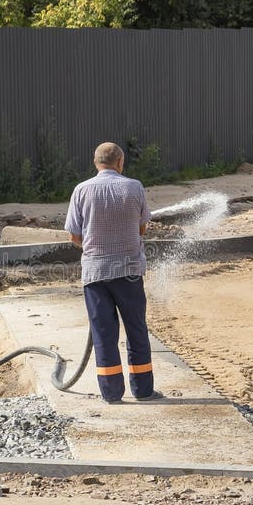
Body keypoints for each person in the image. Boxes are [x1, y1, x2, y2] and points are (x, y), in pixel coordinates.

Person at [65, 141, 161, 404]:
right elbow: (142, 229)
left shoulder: (81, 190)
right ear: (120, 162)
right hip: (129, 272)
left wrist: (95, 246)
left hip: (95, 274)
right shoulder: (134, 187)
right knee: (136, 329)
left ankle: (111, 393)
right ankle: (143, 390)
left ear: (96, 163)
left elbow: (74, 235)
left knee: (104, 333)